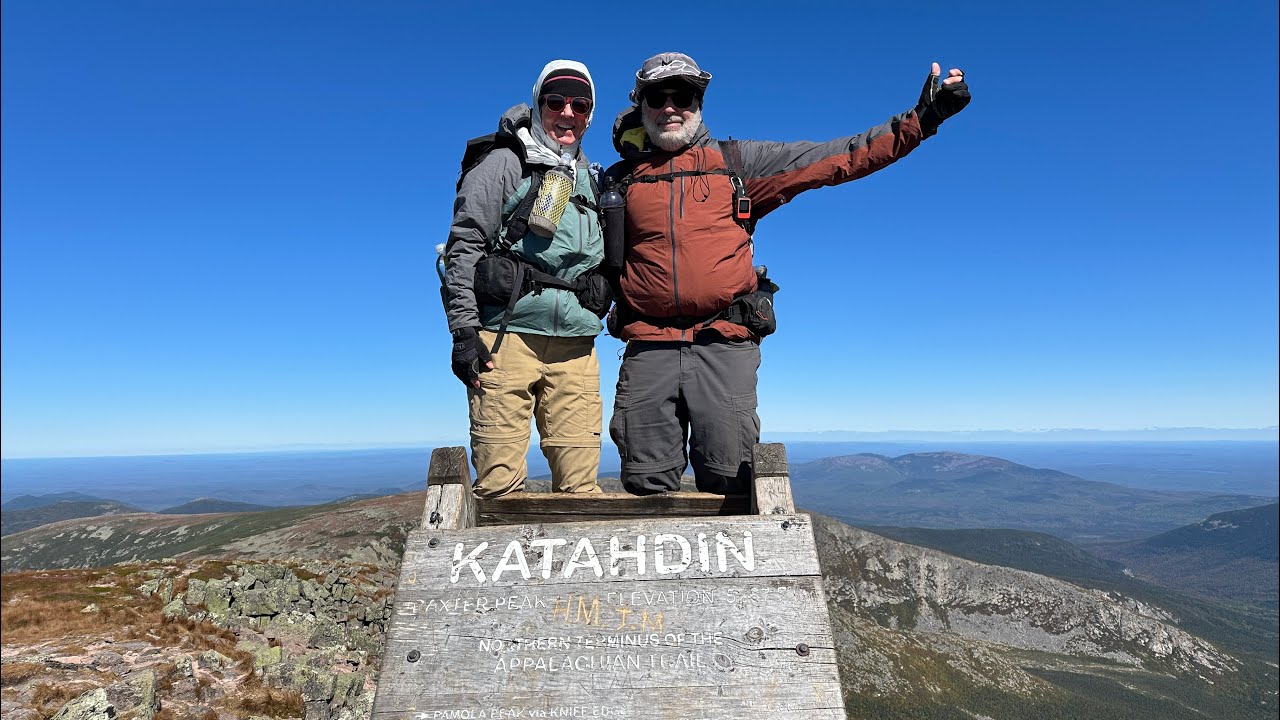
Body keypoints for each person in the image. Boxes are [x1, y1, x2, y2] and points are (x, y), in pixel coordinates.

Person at [604, 52, 970, 495]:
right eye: (656, 97)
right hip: (647, 348)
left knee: (731, 483)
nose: (669, 107)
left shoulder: (737, 165)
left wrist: (923, 118)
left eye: (681, 95)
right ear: (640, 106)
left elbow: (841, 156)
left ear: (698, 103)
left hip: (723, 343)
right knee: (644, 484)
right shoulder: (617, 182)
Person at [443, 60, 607, 499]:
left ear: (590, 114)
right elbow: (464, 245)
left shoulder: (591, 179)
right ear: (538, 104)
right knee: (499, 487)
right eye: (556, 102)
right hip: (504, 339)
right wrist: (463, 332)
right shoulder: (503, 163)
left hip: (576, 346)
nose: (568, 113)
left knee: (581, 488)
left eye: (580, 104)